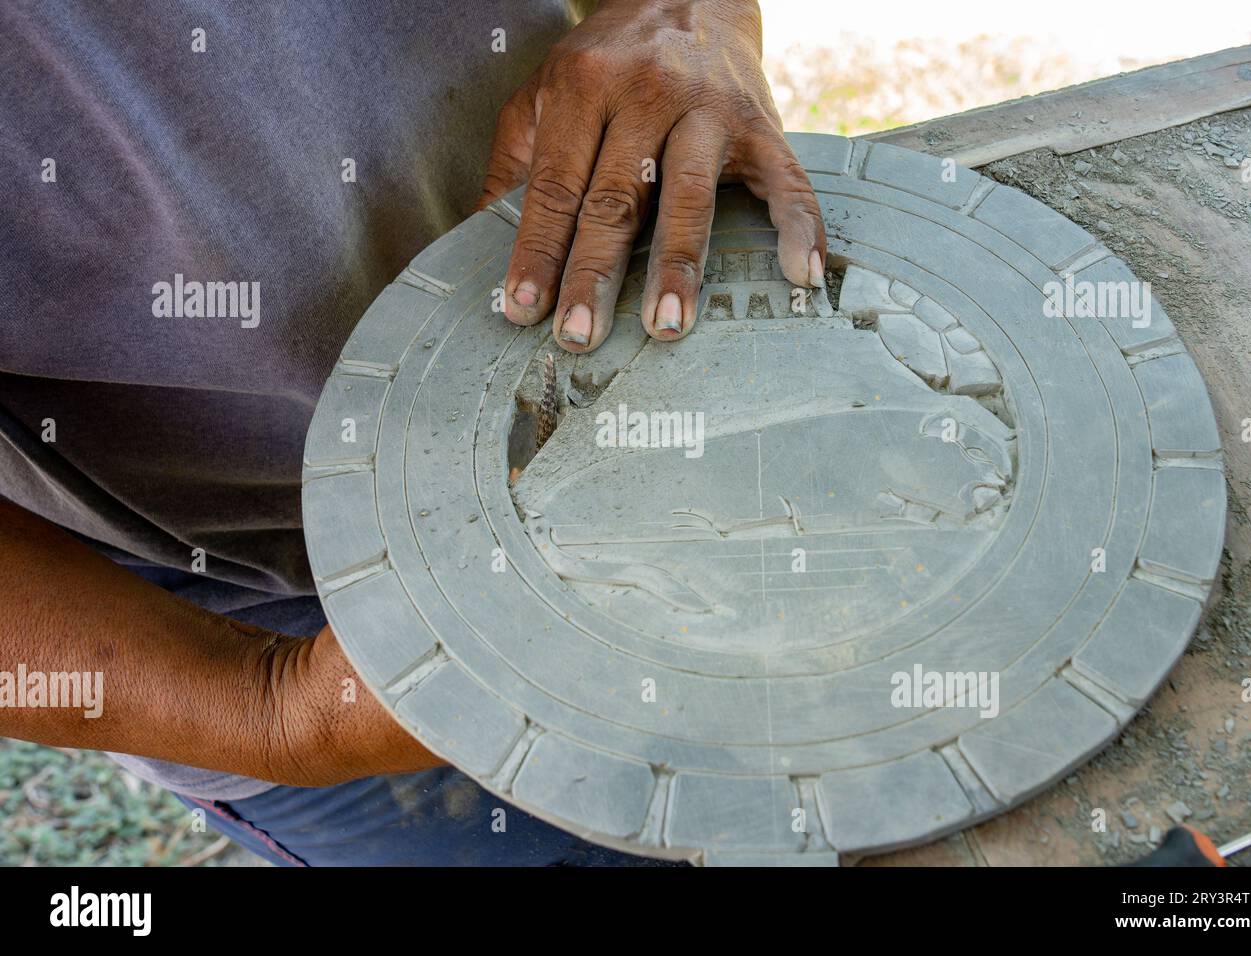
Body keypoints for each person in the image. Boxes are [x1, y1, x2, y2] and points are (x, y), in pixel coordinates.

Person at [0, 0, 825, 865]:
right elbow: (286, 708)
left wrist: (679, 18)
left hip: (667, 367)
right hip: (317, 641)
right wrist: (275, 712)